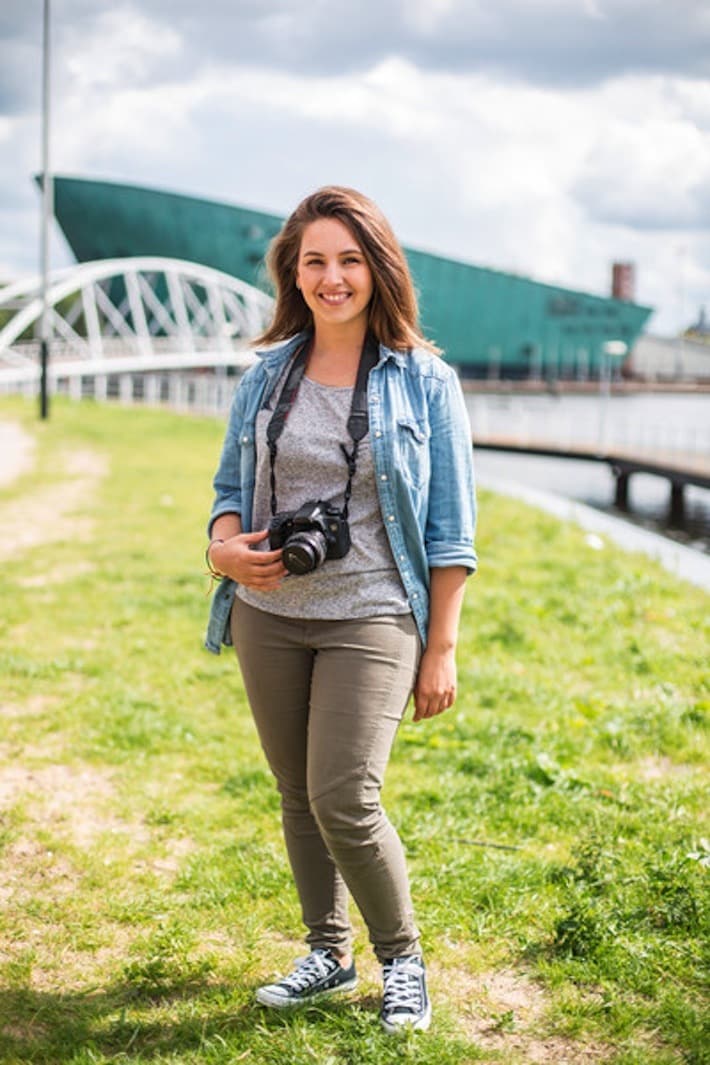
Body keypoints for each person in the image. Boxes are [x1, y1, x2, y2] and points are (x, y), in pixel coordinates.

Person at [205, 186, 476, 1033]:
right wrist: (220, 546)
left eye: (350, 259)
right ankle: (327, 952)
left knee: (344, 795)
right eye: (315, 260)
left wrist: (441, 648)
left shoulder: (424, 381)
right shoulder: (266, 377)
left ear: (377, 268)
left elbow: (450, 530)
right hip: (270, 611)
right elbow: (225, 492)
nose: (332, 277)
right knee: (296, 791)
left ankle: (403, 960)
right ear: (294, 272)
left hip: (372, 614)